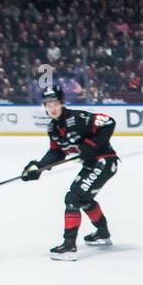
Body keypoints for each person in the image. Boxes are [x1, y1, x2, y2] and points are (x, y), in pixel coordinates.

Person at [21, 86, 119, 261]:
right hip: (92, 164)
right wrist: (39, 167)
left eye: (55, 103)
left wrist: (91, 145)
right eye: (47, 104)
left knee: (73, 198)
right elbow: (56, 152)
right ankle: (102, 234)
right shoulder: (53, 127)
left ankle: (68, 246)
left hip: (104, 161)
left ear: (62, 103)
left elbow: (108, 122)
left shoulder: (78, 118)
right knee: (84, 200)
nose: (52, 108)